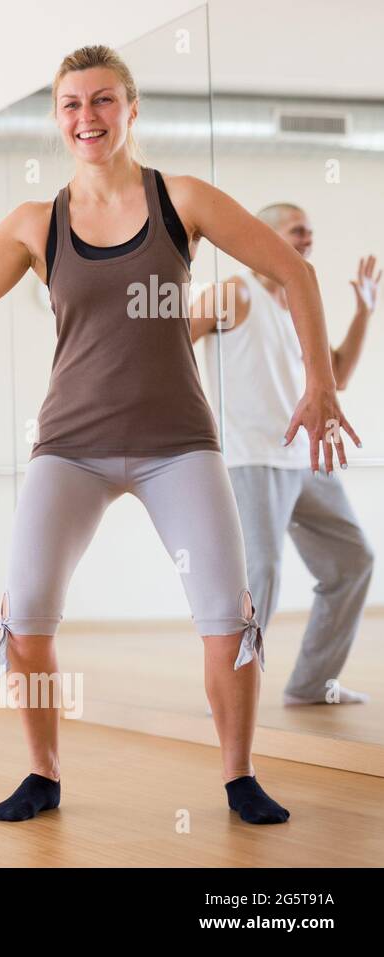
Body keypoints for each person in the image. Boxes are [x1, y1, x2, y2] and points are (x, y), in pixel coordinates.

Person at [0, 45, 358, 824]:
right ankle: (43, 772)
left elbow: (294, 272)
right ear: (58, 120)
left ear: (131, 108)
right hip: (69, 446)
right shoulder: (37, 224)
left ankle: (238, 776)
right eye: (71, 105)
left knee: (227, 620)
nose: (87, 118)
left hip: (180, 443)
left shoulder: (183, 199)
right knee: (25, 617)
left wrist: (320, 381)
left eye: (102, 101)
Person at [192, 208, 376, 707]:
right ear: (265, 235)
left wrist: (363, 312)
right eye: (297, 229)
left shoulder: (295, 305)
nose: (308, 238)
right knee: (261, 574)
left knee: (353, 561)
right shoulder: (237, 291)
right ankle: (227, 692)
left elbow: (336, 374)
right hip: (254, 459)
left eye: (311, 231)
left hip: (306, 458)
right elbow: (174, 341)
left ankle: (313, 683)